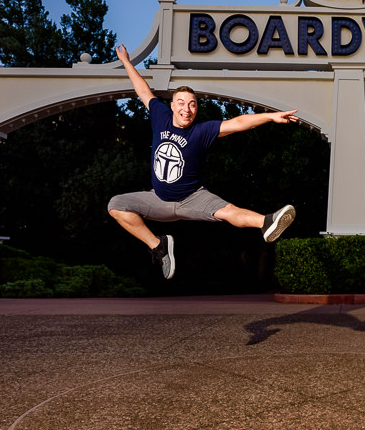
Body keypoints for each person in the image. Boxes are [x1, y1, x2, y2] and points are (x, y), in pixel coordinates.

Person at [108, 43, 297, 278]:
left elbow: (237, 123)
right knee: (116, 205)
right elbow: (143, 90)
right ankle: (158, 246)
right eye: (181, 103)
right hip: (158, 200)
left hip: (192, 198)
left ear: (196, 108)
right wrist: (126, 61)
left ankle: (267, 222)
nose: (187, 109)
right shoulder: (160, 116)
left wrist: (270, 116)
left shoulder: (201, 131)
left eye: (192, 104)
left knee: (227, 211)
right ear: (172, 106)